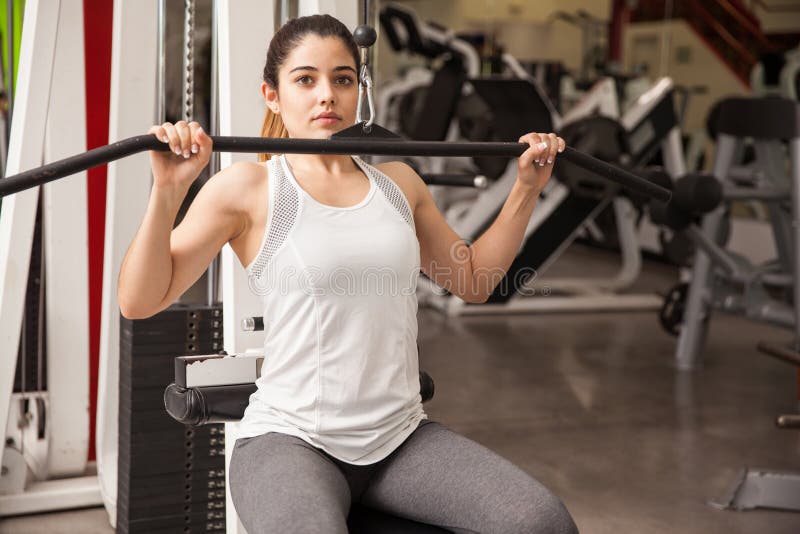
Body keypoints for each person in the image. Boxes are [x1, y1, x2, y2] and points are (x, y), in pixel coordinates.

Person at [118, 13, 577, 534]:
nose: (326, 96)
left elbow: (472, 282)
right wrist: (168, 192)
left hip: (401, 438)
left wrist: (525, 190)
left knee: (542, 522)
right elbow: (139, 300)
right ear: (272, 94)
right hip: (289, 441)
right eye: (305, 79)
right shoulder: (247, 187)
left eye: (342, 79)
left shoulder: (399, 183)